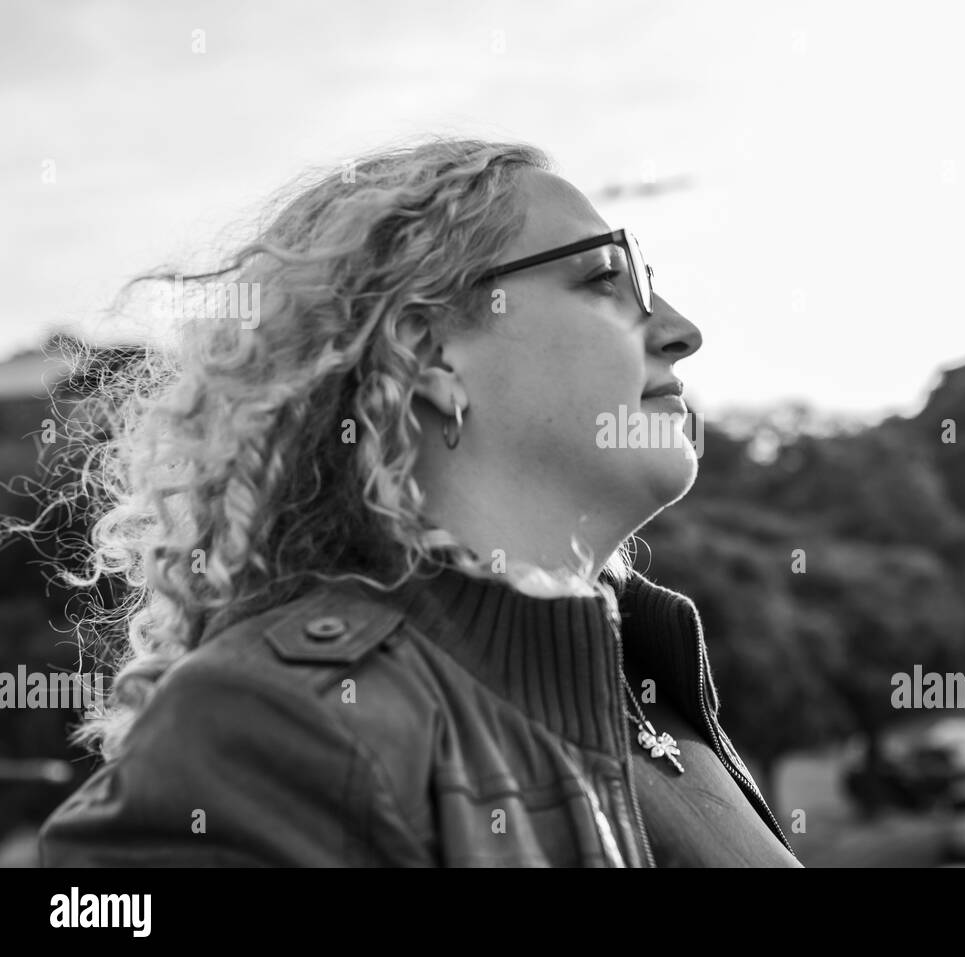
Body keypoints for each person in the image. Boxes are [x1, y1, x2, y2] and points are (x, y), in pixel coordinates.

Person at [37, 136, 803, 867]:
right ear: (429, 350)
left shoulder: (649, 686)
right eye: (608, 277)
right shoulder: (281, 723)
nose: (679, 330)